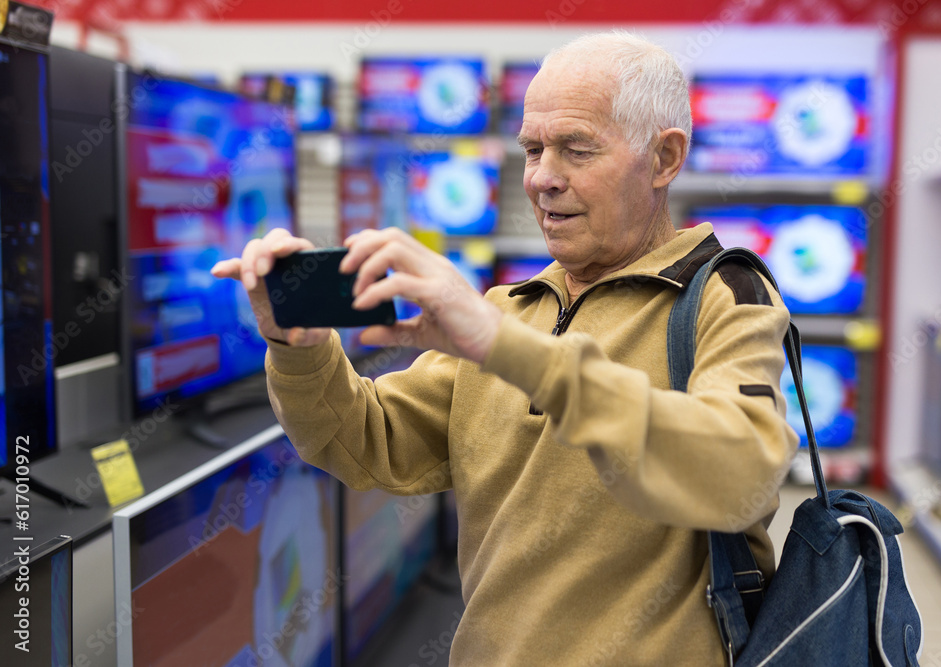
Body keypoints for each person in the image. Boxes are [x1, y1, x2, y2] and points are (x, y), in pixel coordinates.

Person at [213, 31, 798, 666]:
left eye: (577, 150)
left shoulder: (724, 295)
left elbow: (739, 479)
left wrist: (507, 350)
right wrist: (298, 342)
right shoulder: (511, 309)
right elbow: (366, 444)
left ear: (664, 158)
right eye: (532, 150)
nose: (544, 179)